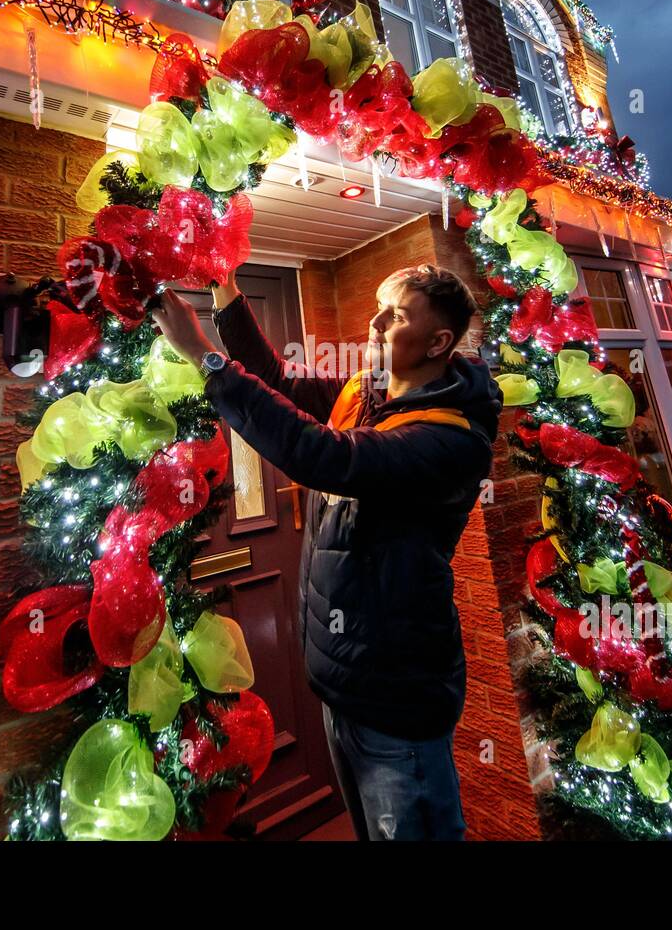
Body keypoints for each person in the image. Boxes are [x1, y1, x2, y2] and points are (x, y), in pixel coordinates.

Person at [151, 264, 502, 841]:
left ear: (439, 342)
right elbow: (276, 383)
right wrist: (225, 289)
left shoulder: (452, 439)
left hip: (397, 700)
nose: (376, 320)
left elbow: (325, 457)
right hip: (343, 687)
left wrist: (204, 357)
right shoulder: (364, 394)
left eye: (398, 314)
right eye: (381, 304)